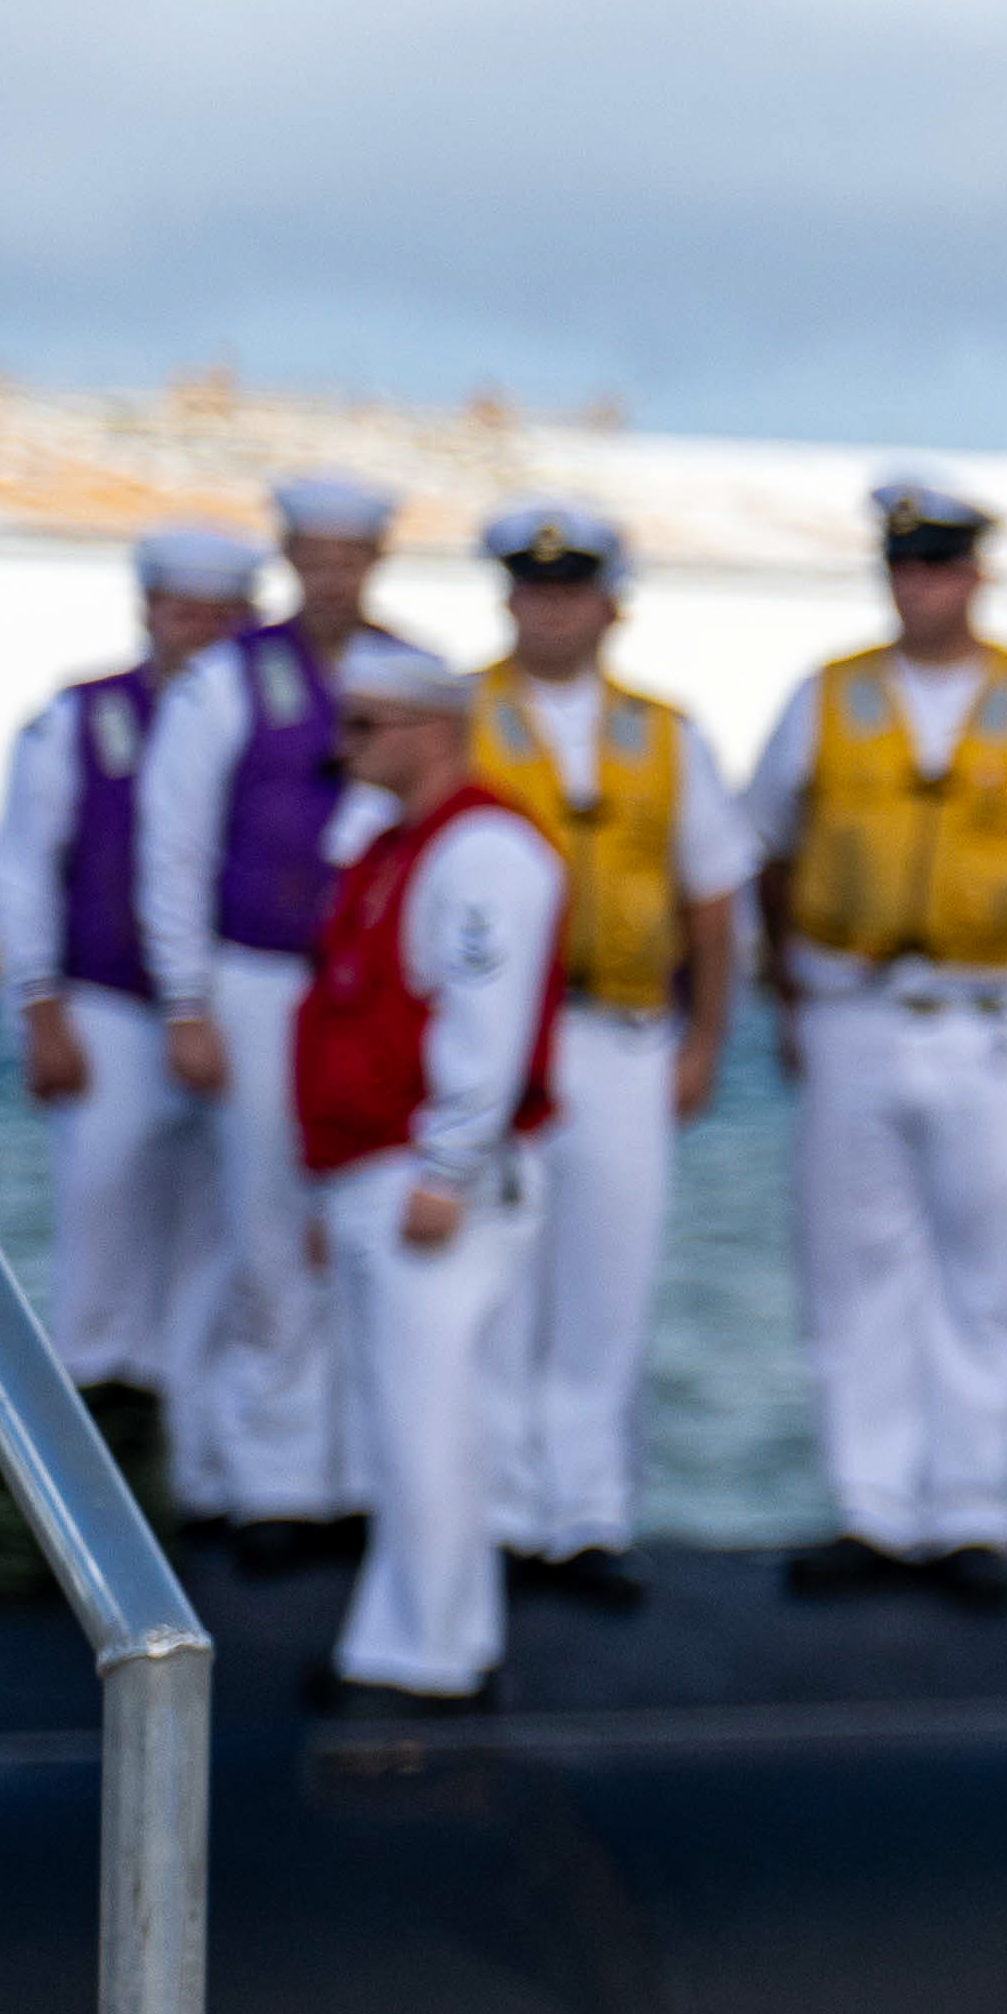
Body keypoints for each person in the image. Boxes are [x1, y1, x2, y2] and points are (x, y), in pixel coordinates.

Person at [748, 470, 1007, 1605]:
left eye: (939, 565)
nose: (920, 587)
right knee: (853, 1268)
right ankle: (871, 1507)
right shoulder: (825, 699)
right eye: (903, 566)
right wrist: (787, 989)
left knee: (987, 1270)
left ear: (976, 577)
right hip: (855, 1012)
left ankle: (972, 1505)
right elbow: (765, 846)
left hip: (996, 1021)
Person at [460, 497, 749, 1605]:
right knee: (499, 1281)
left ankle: (585, 1514)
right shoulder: (463, 716)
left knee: (607, 1281)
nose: (552, 610)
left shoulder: (665, 735)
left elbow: (714, 900)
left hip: (625, 1033)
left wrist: (706, 1041)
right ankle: (498, 1511)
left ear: (611, 607)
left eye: (572, 591)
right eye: (534, 591)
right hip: (497, 1035)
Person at [281, 636, 565, 1713]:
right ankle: (431, 1635)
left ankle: (423, 1659)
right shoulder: (394, 846)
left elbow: (482, 1026)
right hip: (374, 1164)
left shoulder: (483, 852)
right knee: (407, 1422)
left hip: (426, 1172)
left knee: (426, 1423)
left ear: (429, 731)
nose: (343, 748)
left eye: (364, 726)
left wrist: (448, 1163)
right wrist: (327, 1185)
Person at [134, 466, 404, 1548]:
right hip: (259, 979)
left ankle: (355, 1471)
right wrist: (187, 1000)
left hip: (369, 994)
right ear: (290, 561)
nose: (333, 576)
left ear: (375, 563)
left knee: (361, 1230)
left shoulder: (413, 673)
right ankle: (274, 1481)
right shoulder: (227, 682)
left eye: (352, 557)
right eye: (316, 556)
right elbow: (176, 843)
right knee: (263, 1230)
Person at [0, 522, 258, 1499]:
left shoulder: (264, 725)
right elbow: (25, 865)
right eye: (185, 611)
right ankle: (79, 1481)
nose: (202, 631)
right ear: (149, 612)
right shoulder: (82, 718)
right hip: (109, 1004)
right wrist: (40, 1009)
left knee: (213, 1250)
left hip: (226, 1013)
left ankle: (189, 1474)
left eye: (223, 616)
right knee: (100, 1232)